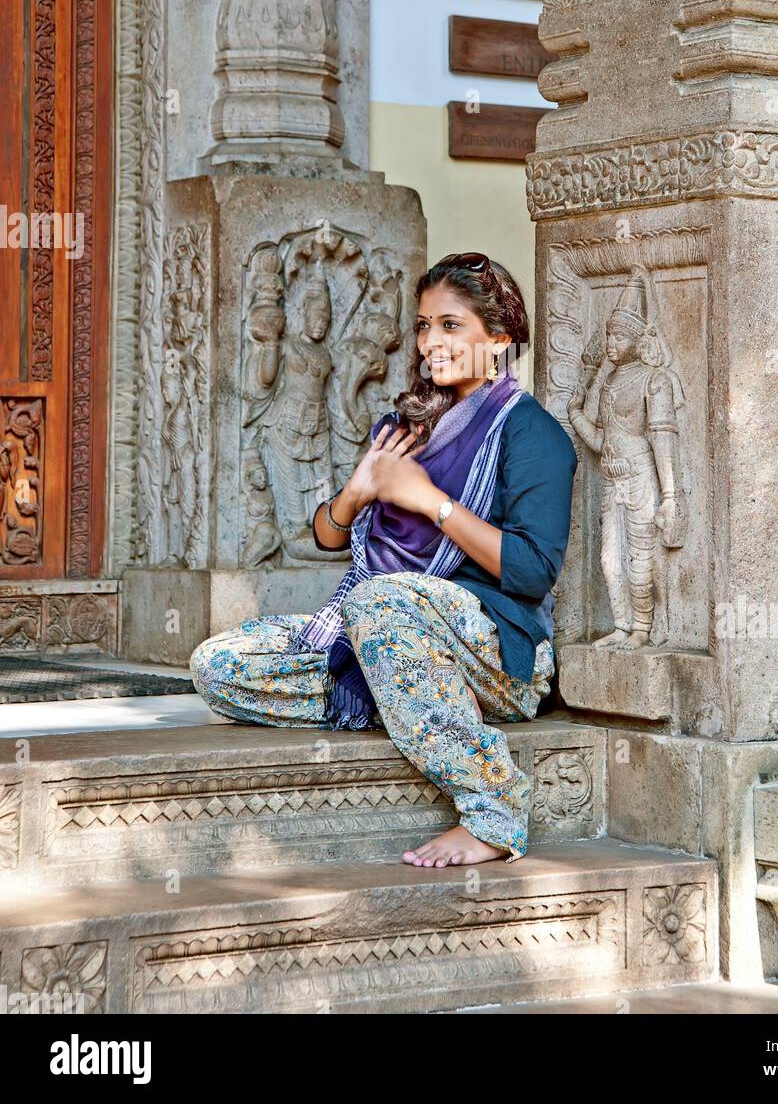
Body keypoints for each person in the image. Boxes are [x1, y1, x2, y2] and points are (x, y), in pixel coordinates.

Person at [189, 252, 578, 869]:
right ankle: (403, 693)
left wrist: (429, 500)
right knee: (217, 665)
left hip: (494, 651)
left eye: (452, 326)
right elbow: (327, 535)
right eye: (425, 326)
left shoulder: (532, 433)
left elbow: (531, 570)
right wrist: (358, 491)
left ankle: (493, 810)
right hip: (378, 628)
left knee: (383, 602)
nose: (431, 342)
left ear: (499, 341)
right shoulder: (407, 426)